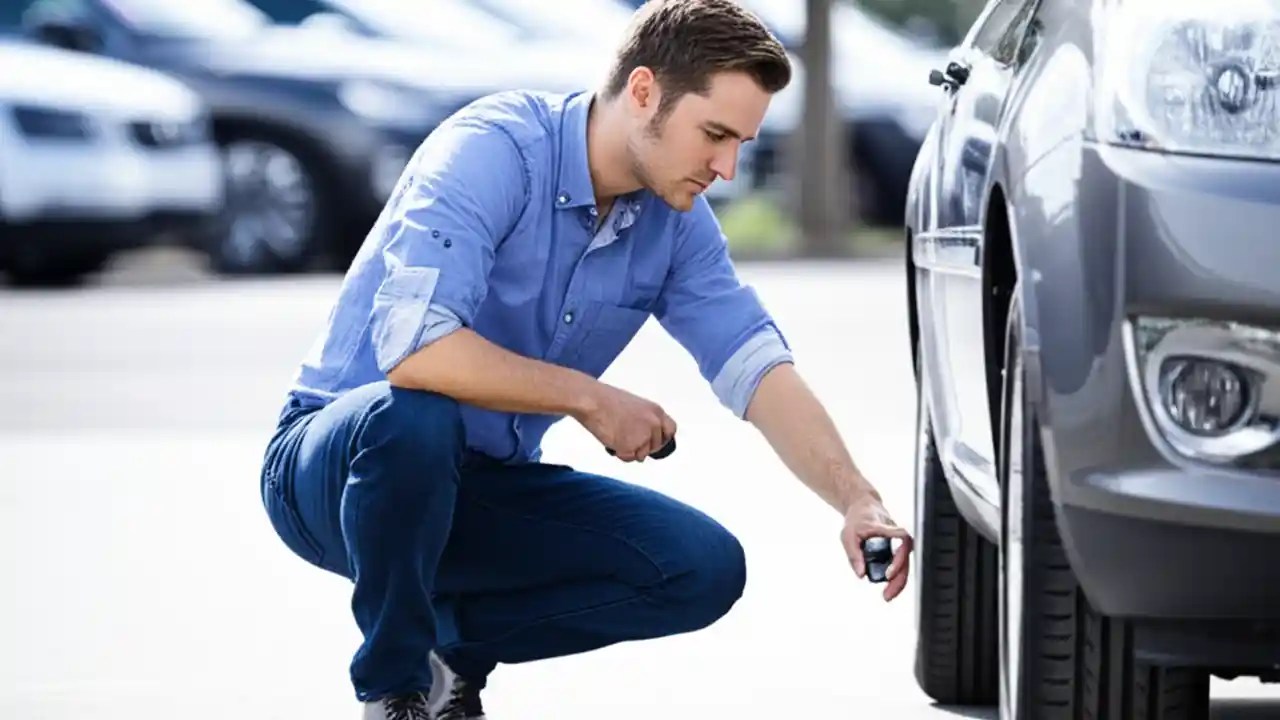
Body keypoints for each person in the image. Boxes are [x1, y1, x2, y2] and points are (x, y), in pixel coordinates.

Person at [258, 1, 914, 718]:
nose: (726, 168)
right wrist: (590, 398)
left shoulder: (677, 222)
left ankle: (450, 656)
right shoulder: (493, 151)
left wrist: (858, 498)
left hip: (482, 486)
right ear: (643, 92)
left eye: (741, 145)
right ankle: (395, 690)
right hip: (338, 470)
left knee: (699, 567)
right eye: (715, 135)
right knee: (415, 416)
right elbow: (415, 352)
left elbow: (756, 364)